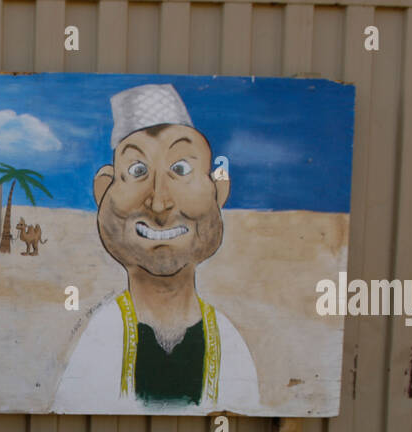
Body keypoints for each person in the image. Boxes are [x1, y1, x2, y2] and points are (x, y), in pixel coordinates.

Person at [52, 84, 259, 414]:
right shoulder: (100, 337)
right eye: (137, 171)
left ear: (218, 191)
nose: (160, 202)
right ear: (104, 189)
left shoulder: (228, 342)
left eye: (181, 170)